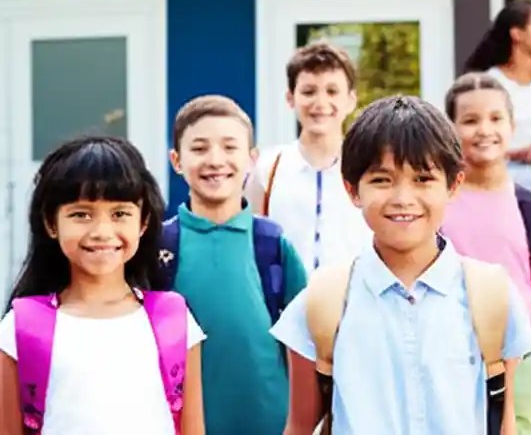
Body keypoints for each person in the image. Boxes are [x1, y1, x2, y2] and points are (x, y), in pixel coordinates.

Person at [271, 95, 531, 435]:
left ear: (453, 185)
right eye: (382, 180)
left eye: (423, 179)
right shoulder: (323, 301)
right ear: (352, 189)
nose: (403, 198)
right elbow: (299, 426)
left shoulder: (491, 295)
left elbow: (506, 423)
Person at [0, 136, 206, 435]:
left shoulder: (173, 318)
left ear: (143, 221)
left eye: (120, 214)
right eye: (81, 214)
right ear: (51, 223)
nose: (102, 231)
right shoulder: (22, 325)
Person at [163, 94, 309, 435]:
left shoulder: (272, 246)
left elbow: (306, 347)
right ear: (176, 161)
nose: (216, 160)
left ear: (251, 159)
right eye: (199, 149)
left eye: (230, 147)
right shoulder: (158, 249)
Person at [441, 73, 531, 435]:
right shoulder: (438, 205)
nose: (484, 130)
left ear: (512, 125)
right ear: (450, 129)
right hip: (454, 358)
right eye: (470, 120)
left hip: (523, 361)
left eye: (496, 118)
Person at [247, 41, 371, 272]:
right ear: (290, 98)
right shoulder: (268, 168)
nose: (320, 103)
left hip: (354, 300)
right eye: (308, 92)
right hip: (285, 304)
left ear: (351, 100)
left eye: (332, 91)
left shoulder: (369, 167)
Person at [465, 0, 531, 266]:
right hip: (502, 192)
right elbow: (472, 138)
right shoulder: (490, 82)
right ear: (517, 34)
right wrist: (512, 152)